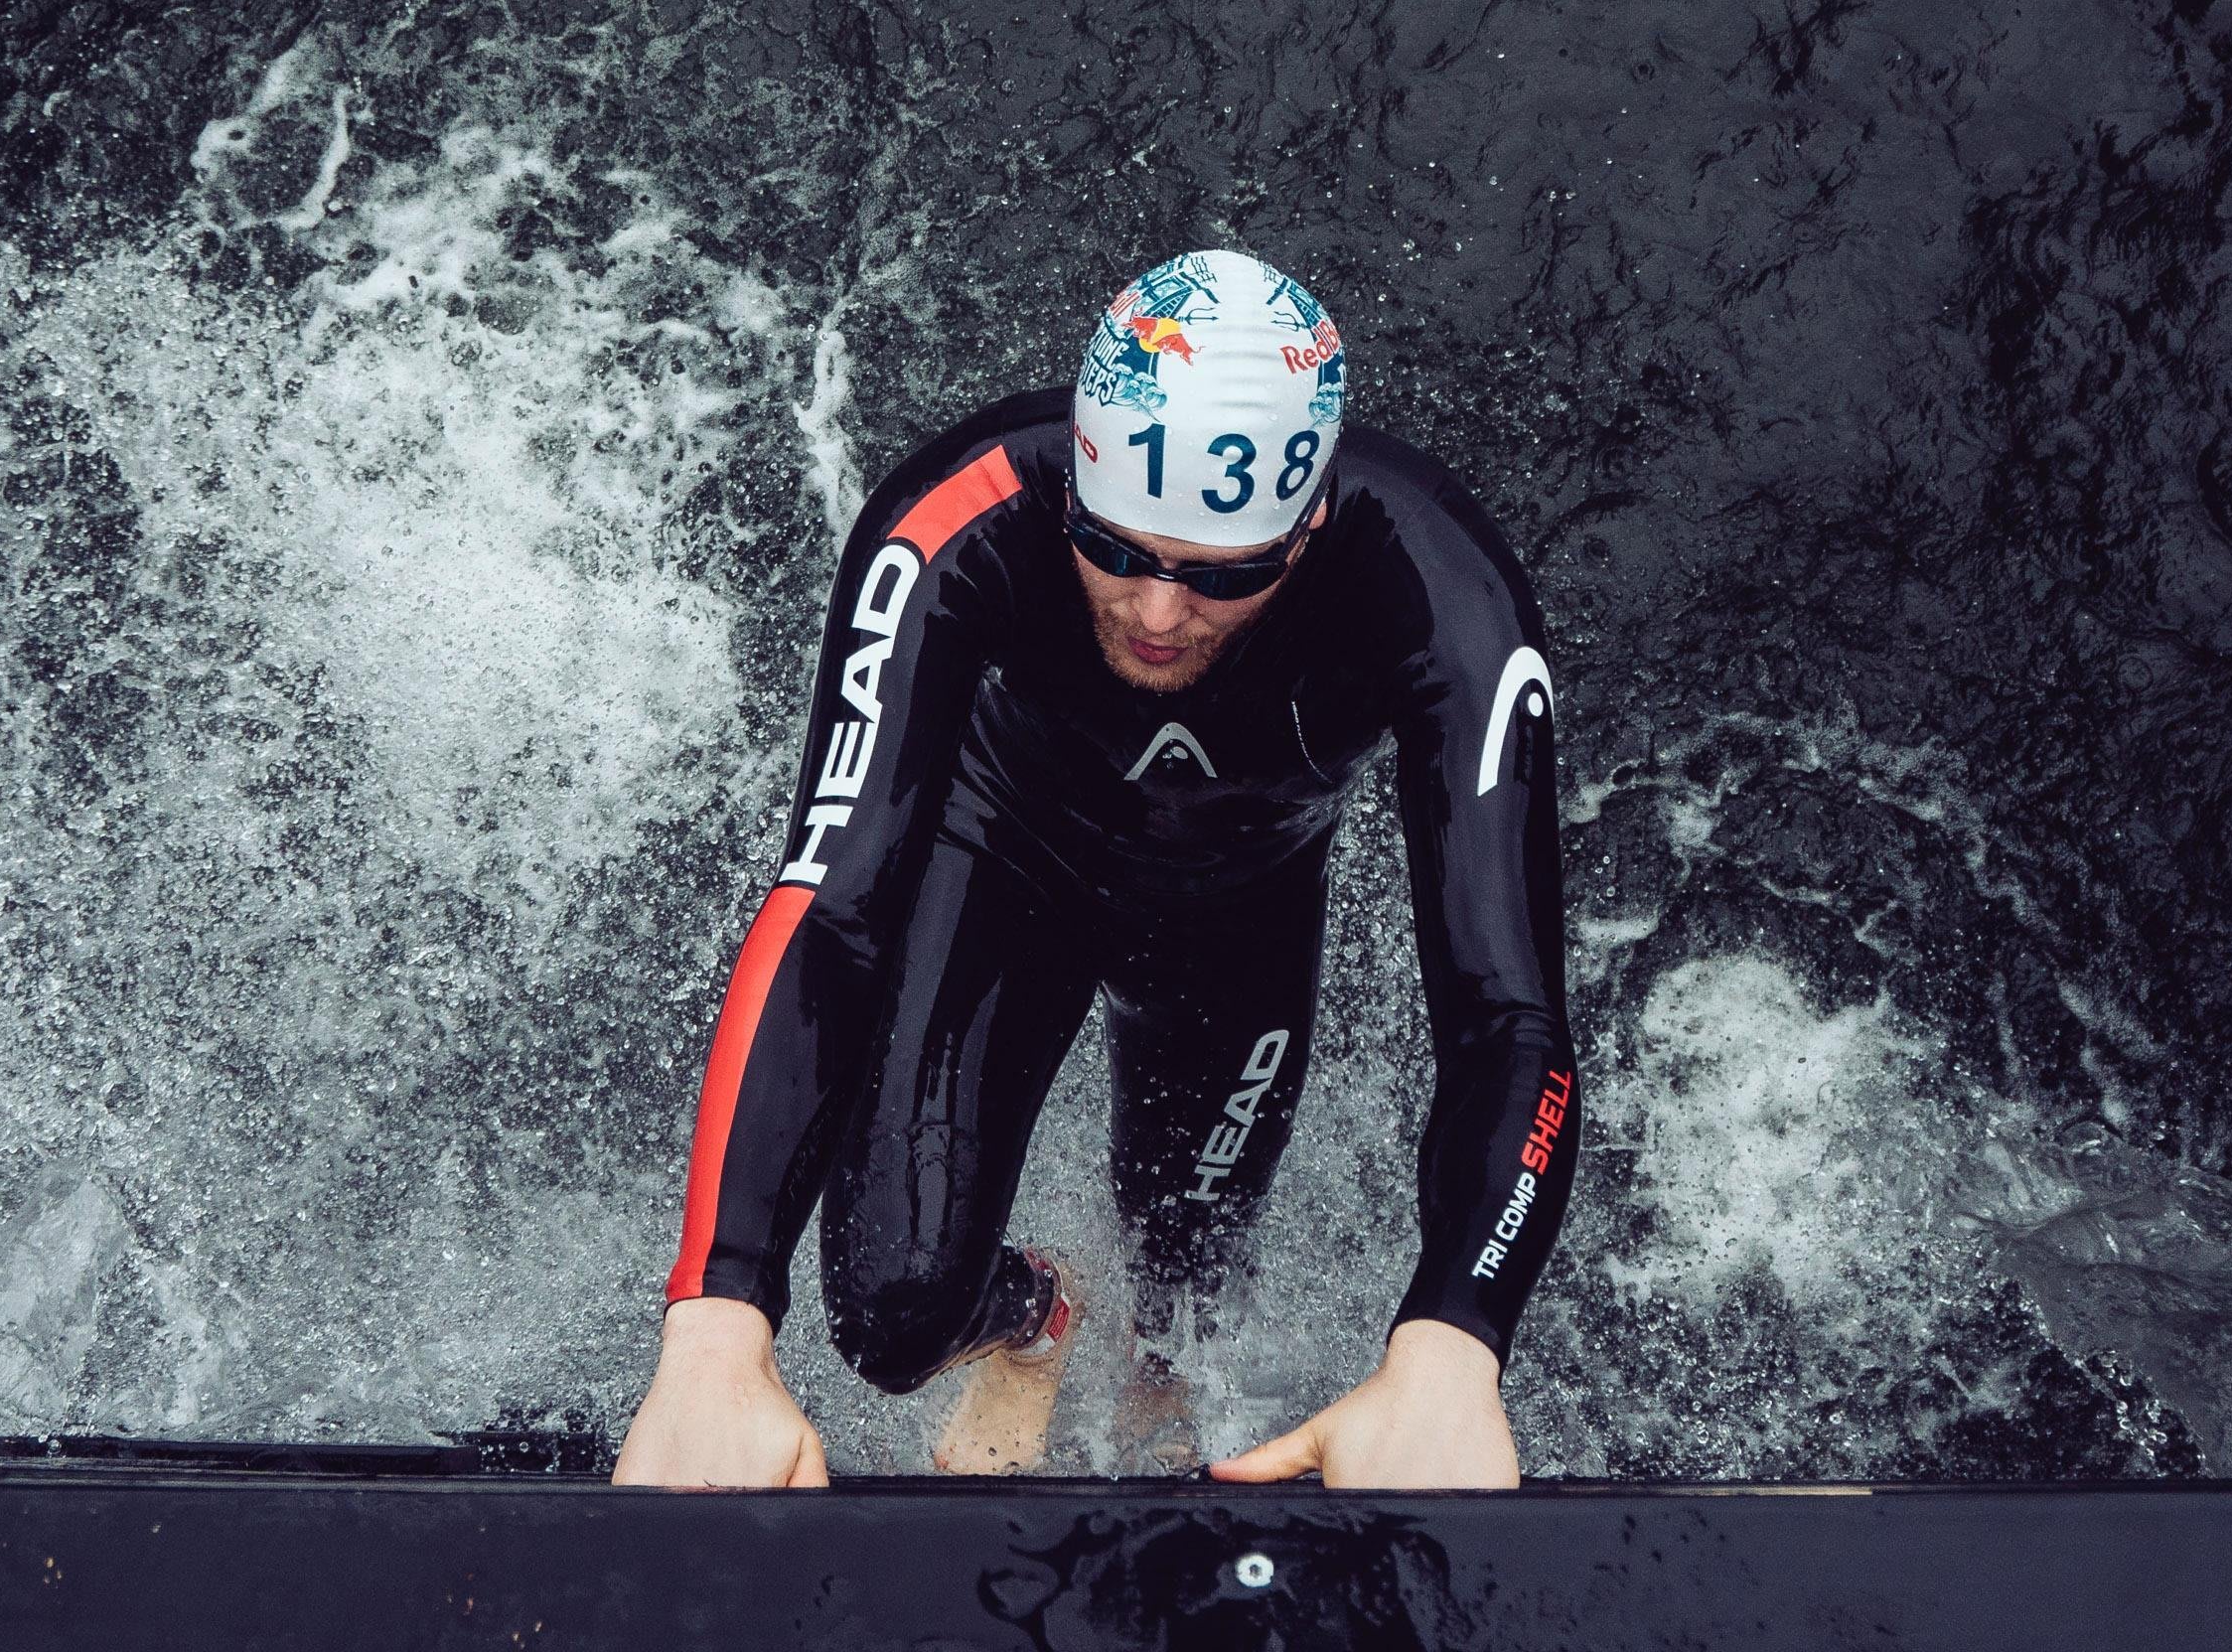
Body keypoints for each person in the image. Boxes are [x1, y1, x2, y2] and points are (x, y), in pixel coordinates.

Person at [611, 248, 1576, 1488]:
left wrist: (1454, 1345)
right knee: (894, 1315)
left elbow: (1509, 1013)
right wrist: (717, 1317)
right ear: (1073, 479)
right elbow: (828, 910)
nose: (1160, 613)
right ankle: (1037, 1321)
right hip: (1009, 855)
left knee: (1184, 1282)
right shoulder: (965, 517)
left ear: (1310, 525)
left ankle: (1155, 1381)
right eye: (1117, 550)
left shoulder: (1442, 587)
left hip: (1240, 911)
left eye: (1224, 573)